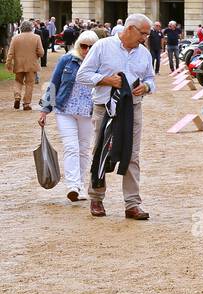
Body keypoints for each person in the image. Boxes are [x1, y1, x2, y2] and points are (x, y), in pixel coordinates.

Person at [75, 13, 157, 219]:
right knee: (101, 151)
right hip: (105, 107)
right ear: (130, 29)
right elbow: (82, 75)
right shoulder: (102, 46)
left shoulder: (144, 53)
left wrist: (146, 86)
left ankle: (132, 203)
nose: (145, 38)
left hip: (133, 109)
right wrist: (106, 80)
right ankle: (96, 198)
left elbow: (151, 79)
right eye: (143, 33)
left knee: (132, 154)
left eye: (147, 34)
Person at [37, 29, 99, 202]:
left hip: (88, 112)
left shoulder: (99, 64)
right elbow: (54, 84)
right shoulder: (67, 60)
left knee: (84, 150)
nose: (86, 50)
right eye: (83, 46)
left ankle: (80, 184)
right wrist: (44, 110)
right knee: (71, 147)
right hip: (65, 110)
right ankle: (72, 185)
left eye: (90, 47)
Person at [5, 21, 44, 110]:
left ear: (21, 28)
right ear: (31, 27)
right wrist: (37, 55)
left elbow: (10, 53)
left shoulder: (15, 38)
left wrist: (8, 63)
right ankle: (26, 104)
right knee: (29, 84)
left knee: (18, 81)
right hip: (32, 64)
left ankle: (17, 96)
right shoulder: (36, 37)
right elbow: (41, 53)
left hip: (18, 64)